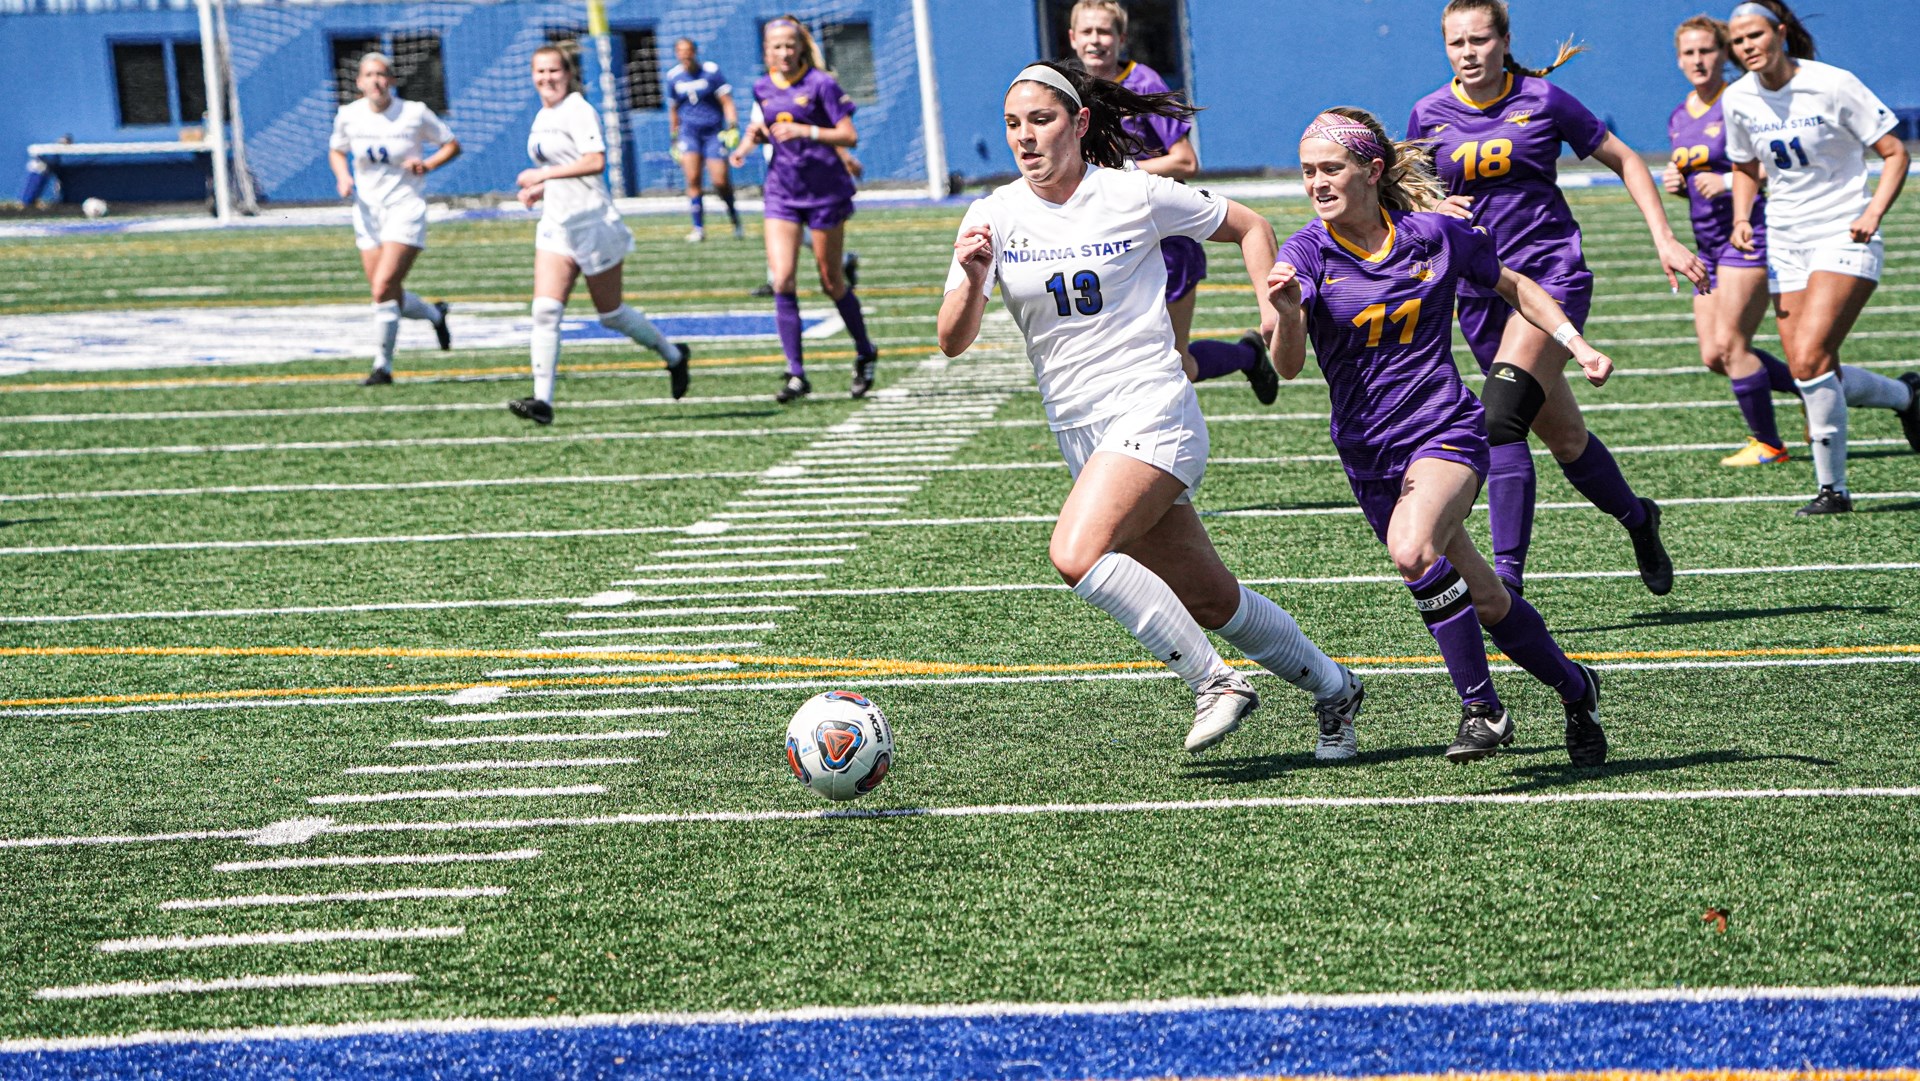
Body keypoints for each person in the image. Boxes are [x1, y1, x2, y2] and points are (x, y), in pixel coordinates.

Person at [938, 61, 1365, 758]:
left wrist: (1269, 311)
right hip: (1080, 431)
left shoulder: (1132, 193)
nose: (1024, 137)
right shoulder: (991, 214)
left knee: (1075, 552)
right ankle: (1334, 686)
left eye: (1041, 120)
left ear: (1078, 124)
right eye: (1012, 124)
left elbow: (1250, 225)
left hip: (1152, 405)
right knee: (1210, 598)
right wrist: (972, 278)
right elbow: (952, 340)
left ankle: (1214, 682)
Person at [1270, 108, 1606, 766]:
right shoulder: (1306, 251)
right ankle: (1576, 686)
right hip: (1368, 453)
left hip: (1445, 427)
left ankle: (1483, 707)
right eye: (1308, 171)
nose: (1317, 182)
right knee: (1483, 596)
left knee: (1412, 548)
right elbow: (1285, 366)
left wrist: (1577, 344)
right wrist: (1285, 316)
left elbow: (1514, 285)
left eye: (1331, 168)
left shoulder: (1435, 235)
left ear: (1372, 171)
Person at [1408, 0, 1705, 598]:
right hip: (1483, 291)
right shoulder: (1428, 113)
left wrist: (1665, 238)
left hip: (1551, 279)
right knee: (1565, 439)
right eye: (1456, 43)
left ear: (1505, 40)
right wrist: (1427, 205)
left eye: (1480, 40)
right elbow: (1408, 188)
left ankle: (1508, 582)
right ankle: (1638, 518)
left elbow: (1625, 160)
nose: (1469, 53)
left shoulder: (1542, 101)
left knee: (1500, 417)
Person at [1723, 0, 1920, 514]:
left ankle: (1833, 490)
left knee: (1810, 358)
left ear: (1780, 33)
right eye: (1738, 40)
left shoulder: (1832, 83)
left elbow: (1895, 151)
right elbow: (1744, 167)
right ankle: (1907, 397)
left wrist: (1874, 212)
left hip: (1843, 233)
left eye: (1756, 35)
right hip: (1784, 239)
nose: (1748, 46)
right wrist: (1743, 217)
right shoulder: (1739, 98)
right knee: (1809, 366)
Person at [1065, 0, 1280, 404]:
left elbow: (1186, 160)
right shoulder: (1069, 91)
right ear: (1073, 38)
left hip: (1167, 241)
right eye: (1088, 32)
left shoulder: (1143, 82)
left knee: (1176, 364)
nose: (1096, 40)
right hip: (1110, 239)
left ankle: (1247, 354)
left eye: (1105, 31)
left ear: (1122, 38)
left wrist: (1122, 174)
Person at [511, 44, 688, 424]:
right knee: (545, 310)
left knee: (611, 314)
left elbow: (595, 162)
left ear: (569, 73)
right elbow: (563, 168)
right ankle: (542, 401)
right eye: (539, 72)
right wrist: (539, 190)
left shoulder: (578, 109)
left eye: (554, 71)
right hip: (557, 226)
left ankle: (674, 356)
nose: (547, 78)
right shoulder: (543, 114)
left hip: (594, 224)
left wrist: (542, 176)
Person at [1664, 14, 1799, 466]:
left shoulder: (1741, 100)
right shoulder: (1680, 114)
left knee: (1732, 346)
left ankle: (1770, 445)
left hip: (1749, 238)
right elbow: (1694, 172)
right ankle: (1815, 387)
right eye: (1689, 52)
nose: (1698, 60)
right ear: (1679, 59)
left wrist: (1728, 184)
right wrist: (1679, 182)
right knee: (1713, 355)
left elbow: (1778, 160)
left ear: (1725, 54)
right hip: (1707, 248)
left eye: (1707, 50)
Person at [729, 16, 880, 402]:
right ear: (766, 51)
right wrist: (751, 141)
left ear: (801, 47)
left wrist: (806, 130)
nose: (783, 52)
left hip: (825, 193)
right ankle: (796, 374)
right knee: (782, 280)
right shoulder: (762, 87)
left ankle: (865, 351)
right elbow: (768, 126)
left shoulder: (821, 84)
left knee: (831, 282)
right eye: (776, 46)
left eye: (789, 45)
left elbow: (849, 134)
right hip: (781, 191)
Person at [327, 51, 458, 386]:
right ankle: (434, 313)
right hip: (368, 211)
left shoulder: (413, 113)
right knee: (384, 290)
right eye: (369, 75)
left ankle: (382, 367)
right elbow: (337, 149)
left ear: (393, 80)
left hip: (405, 207)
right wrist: (343, 177)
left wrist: (426, 165)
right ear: (359, 83)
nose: (376, 81)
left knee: (384, 287)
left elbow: (450, 144)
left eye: (382, 74)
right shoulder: (349, 115)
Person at [666, 38, 744, 242]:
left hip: (712, 133)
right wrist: (674, 138)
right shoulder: (674, 77)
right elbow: (674, 110)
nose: (685, 55)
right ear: (676, 54)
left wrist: (733, 127)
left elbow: (727, 101)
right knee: (692, 178)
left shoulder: (710, 72)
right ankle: (698, 228)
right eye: (681, 51)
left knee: (720, 180)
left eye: (688, 50)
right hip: (689, 134)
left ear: (695, 51)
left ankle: (735, 220)